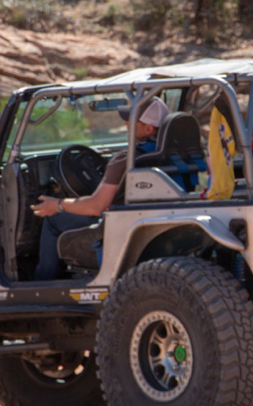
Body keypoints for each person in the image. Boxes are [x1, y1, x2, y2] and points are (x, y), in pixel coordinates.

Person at [30, 97, 169, 280]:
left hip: (117, 226)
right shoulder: (168, 154)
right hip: (151, 223)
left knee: (53, 219)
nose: (126, 123)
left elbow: (95, 206)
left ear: (148, 129)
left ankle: (43, 284)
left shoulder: (125, 159)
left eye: (132, 120)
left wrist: (57, 204)